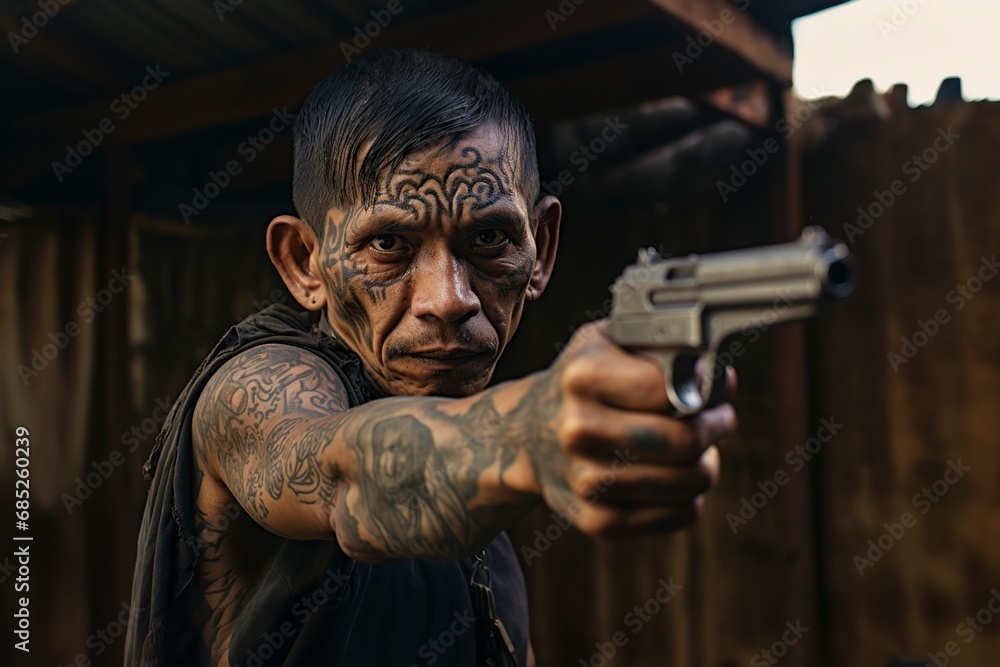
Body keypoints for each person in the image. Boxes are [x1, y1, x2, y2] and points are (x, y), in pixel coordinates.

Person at [125, 48, 736, 667]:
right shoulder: (254, 389)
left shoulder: (481, 510)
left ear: (541, 248)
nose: (448, 299)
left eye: (488, 239)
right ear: (303, 262)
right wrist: (532, 431)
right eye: (388, 244)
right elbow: (342, 472)